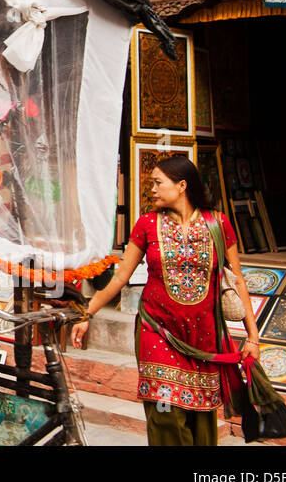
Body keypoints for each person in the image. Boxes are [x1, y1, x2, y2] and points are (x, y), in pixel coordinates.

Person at [72, 155, 258, 446]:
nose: (153, 190)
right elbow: (120, 278)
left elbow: (237, 280)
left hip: (203, 335)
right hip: (156, 329)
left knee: (202, 413)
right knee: (164, 412)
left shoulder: (218, 225)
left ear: (182, 185)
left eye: (158, 183)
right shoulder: (147, 224)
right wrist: (87, 314)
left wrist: (253, 337)